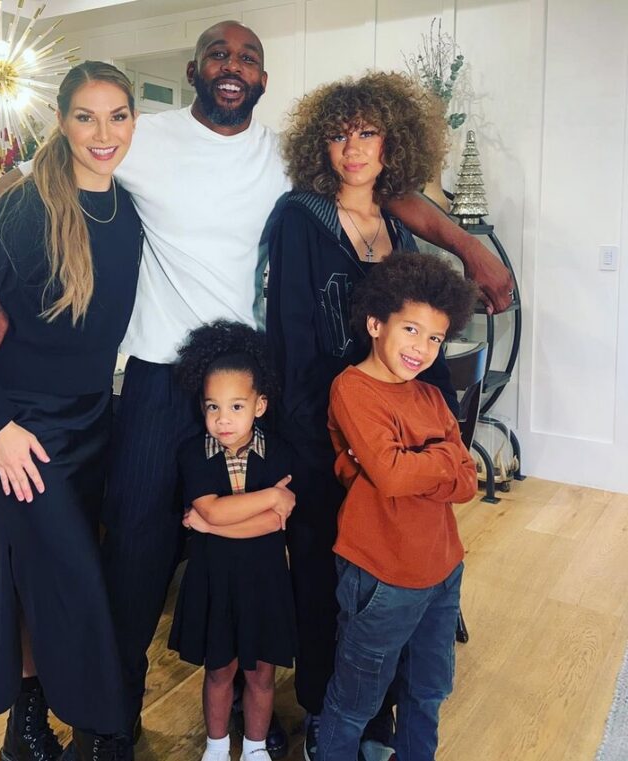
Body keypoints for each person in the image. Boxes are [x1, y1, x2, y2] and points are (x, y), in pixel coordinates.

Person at [0, 20, 514, 755]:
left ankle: (254, 708)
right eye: (219, 55)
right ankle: (111, 718)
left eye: (249, 58)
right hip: (159, 377)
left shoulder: (283, 161)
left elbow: (383, 195)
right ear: (196, 69)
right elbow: (38, 177)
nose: (233, 67)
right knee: (134, 551)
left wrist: (466, 246)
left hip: (244, 386)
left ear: (263, 80)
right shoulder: (149, 138)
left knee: (256, 552)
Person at [0, 61, 142, 761]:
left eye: (118, 116)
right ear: (60, 122)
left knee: (36, 571)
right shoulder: (22, 211)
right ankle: (103, 729)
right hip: (24, 431)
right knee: (72, 576)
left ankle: (28, 725)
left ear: (134, 122)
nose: (103, 133)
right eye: (85, 116)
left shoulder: (130, 207)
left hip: (92, 419)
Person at [266, 72, 463, 759]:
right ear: (322, 144)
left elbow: (421, 342)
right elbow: (289, 336)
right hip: (327, 437)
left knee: (390, 585)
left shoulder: (398, 225)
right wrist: (306, 449)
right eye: (340, 133)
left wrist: (439, 435)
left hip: (396, 437)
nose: (353, 147)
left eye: (367, 132)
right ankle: (326, 713)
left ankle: (379, 715)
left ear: (392, 143)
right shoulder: (301, 217)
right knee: (326, 581)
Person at [317, 251, 478, 760]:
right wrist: (441, 461)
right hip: (381, 575)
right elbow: (389, 473)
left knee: (427, 692)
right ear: (375, 323)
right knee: (354, 702)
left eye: (435, 338)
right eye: (411, 330)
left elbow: (469, 480)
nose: (423, 348)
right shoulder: (352, 389)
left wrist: (419, 465)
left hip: (443, 568)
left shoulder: (430, 398)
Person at [169, 320, 298, 761]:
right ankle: (217, 746)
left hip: (265, 581)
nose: (223, 420)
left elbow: (272, 525)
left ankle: (257, 747)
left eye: (236, 406)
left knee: (262, 674)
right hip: (215, 581)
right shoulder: (194, 453)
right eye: (212, 407)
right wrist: (270, 497)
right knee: (219, 670)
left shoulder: (279, 452)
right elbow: (215, 508)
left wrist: (211, 527)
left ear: (259, 405)